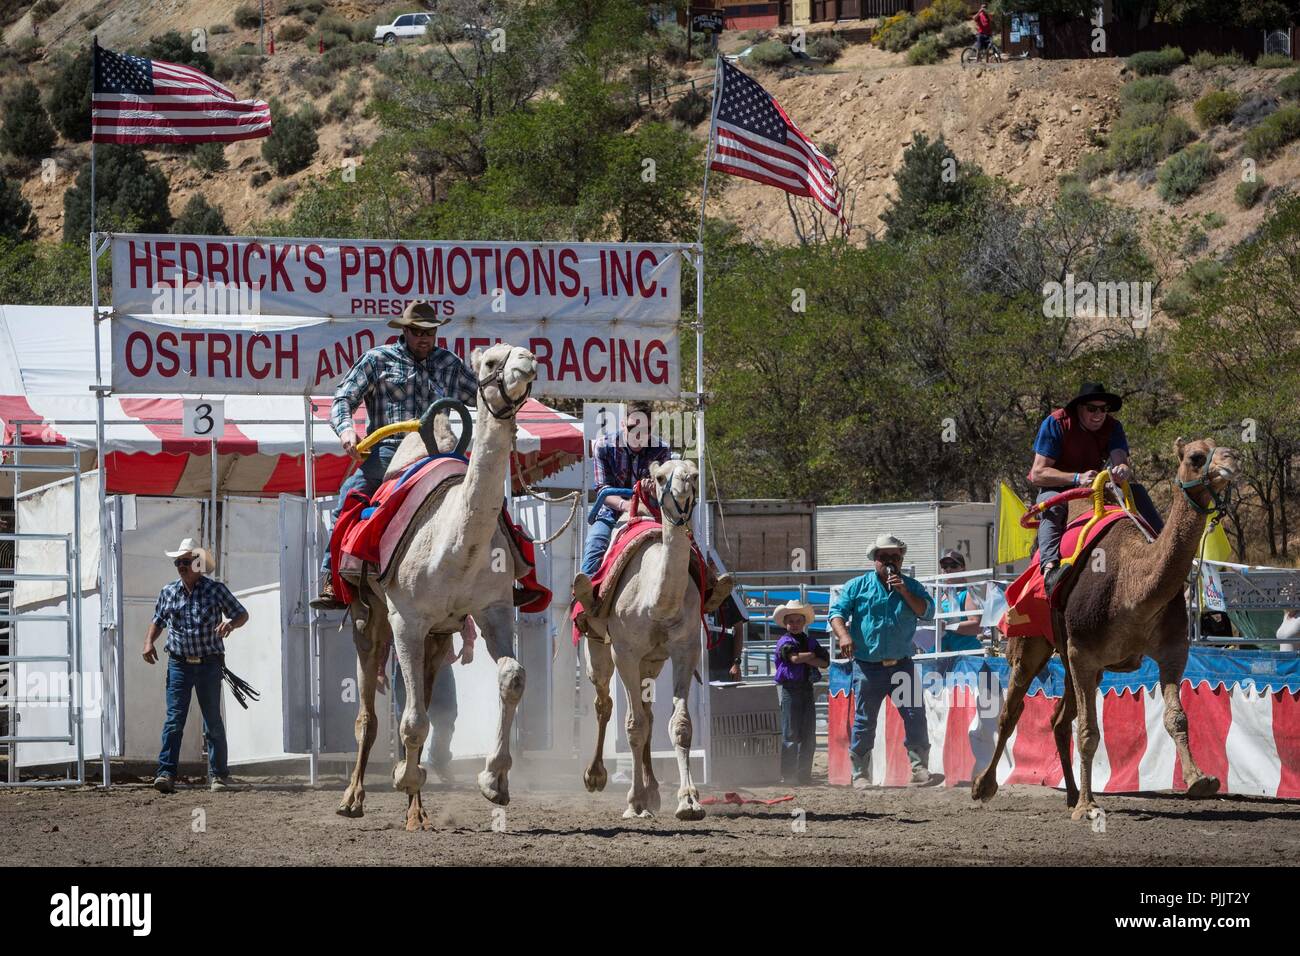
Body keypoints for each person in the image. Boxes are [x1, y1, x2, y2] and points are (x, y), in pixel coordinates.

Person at [313, 301, 478, 609]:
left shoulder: (449, 363)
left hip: (439, 454)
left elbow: (483, 397)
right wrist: (347, 430)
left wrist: (504, 400)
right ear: (404, 330)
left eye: (430, 332)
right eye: (417, 332)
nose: (424, 338)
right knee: (350, 495)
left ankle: (503, 574)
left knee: (484, 496)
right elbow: (343, 398)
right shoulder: (378, 360)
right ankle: (331, 577)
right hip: (391, 452)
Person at [1027, 382, 1164, 598]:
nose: (1098, 414)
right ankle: (1050, 569)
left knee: (1137, 493)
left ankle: (1163, 552)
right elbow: (1038, 473)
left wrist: (1121, 470)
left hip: (1096, 486)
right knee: (1052, 508)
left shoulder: (1113, 427)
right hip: (1059, 487)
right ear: (1079, 408)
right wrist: (1076, 478)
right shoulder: (1056, 423)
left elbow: (1121, 460)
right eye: (1092, 409)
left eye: (1103, 409)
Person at [829, 533, 936, 789]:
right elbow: (836, 613)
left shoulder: (911, 586)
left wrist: (903, 591)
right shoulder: (857, 586)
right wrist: (843, 635)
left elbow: (927, 612)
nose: (889, 561)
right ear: (874, 560)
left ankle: (920, 769)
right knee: (865, 720)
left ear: (901, 560)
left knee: (914, 715)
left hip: (902, 665)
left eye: (894, 557)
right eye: (883, 557)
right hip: (868, 666)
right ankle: (860, 774)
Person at [143, 537, 249, 793]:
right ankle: (166, 773)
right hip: (179, 663)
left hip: (208, 664)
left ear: (198, 563)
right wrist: (148, 642)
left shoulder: (215, 590)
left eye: (185, 561)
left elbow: (241, 614)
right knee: (174, 720)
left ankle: (219, 775)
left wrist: (230, 624)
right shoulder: (168, 591)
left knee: (212, 720)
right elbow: (158, 620)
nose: (180, 565)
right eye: (178, 562)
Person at [581, 401, 671, 577]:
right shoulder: (604, 446)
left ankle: (709, 588)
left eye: (645, 430)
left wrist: (653, 490)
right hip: (611, 513)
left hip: (651, 512)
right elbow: (602, 489)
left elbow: (665, 491)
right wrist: (626, 505)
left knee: (686, 541)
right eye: (632, 428)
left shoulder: (661, 450)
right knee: (595, 545)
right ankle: (585, 597)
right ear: (623, 424)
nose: (638, 434)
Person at [383, 618, 477, 783]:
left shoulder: (439, 593)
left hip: (439, 663)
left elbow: (462, 612)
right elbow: (388, 627)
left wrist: (468, 642)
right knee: (405, 720)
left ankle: (438, 760)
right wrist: (379, 668)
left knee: (446, 718)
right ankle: (407, 765)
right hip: (409, 666)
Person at [772, 600, 829, 785]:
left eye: (798, 621)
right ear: (786, 623)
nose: (795, 624)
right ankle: (789, 776)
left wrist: (807, 658)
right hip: (791, 690)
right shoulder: (787, 642)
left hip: (804, 690)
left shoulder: (805, 642)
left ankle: (803, 776)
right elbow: (795, 658)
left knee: (807, 736)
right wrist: (812, 656)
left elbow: (825, 662)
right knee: (790, 734)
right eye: (791, 621)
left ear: (803, 622)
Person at [936, 549, 985, 654]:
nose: (948, 569)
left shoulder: (967, 593)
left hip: (965, 657)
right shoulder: (938, 596)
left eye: (953, 565)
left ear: (962, 568)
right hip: (941, 656)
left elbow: (977, 626)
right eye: (944, 566)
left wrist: (947, 626)